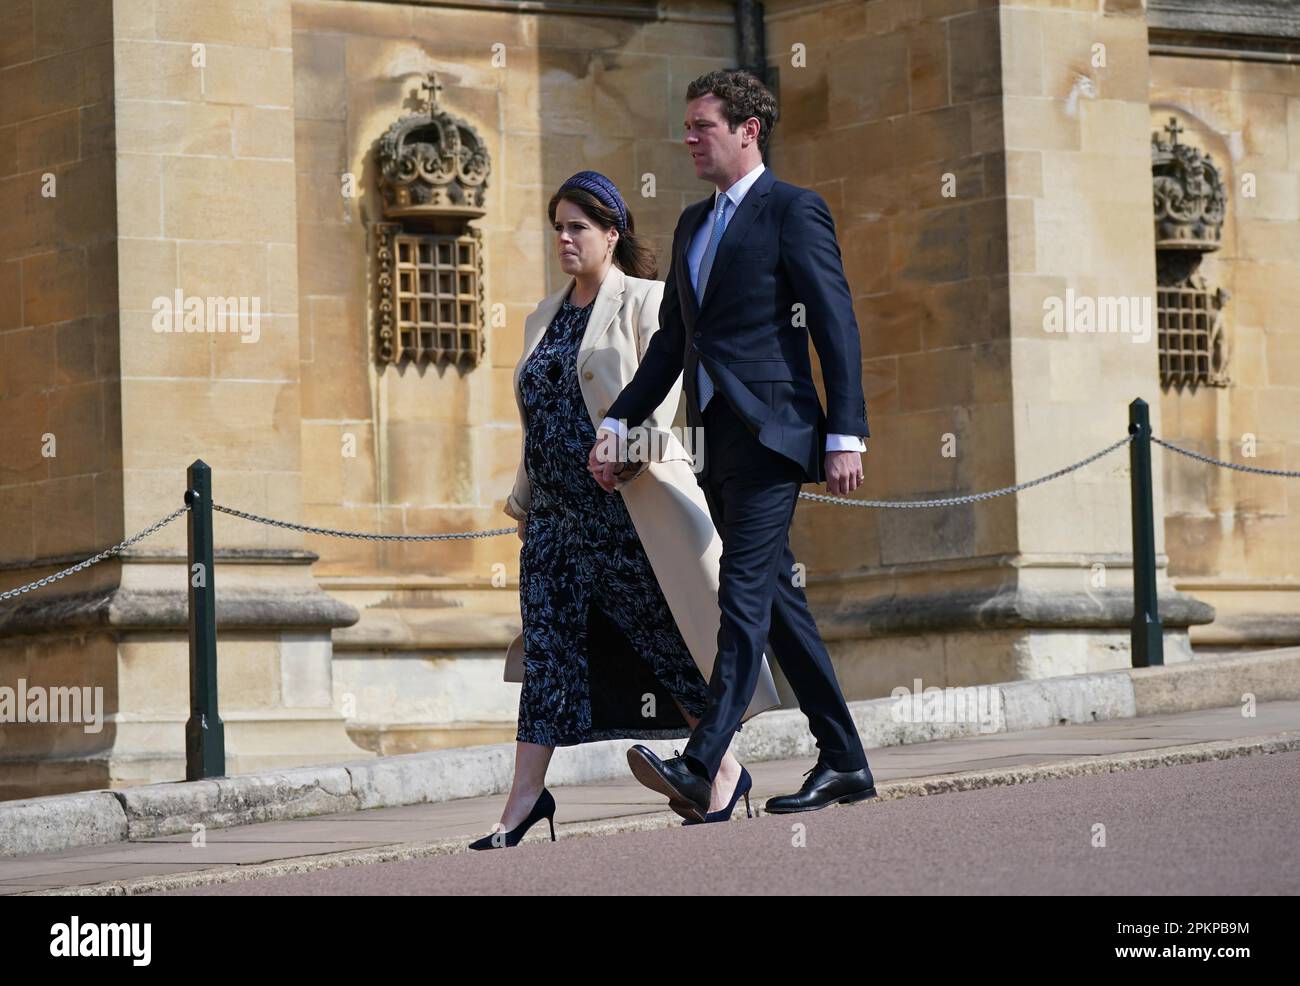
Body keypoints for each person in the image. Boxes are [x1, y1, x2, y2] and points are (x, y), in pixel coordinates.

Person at [590, 69, 877, 822]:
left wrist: (845, 433)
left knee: (742, 594)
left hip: (776, 434)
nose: (688, 138)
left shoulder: (794, 211)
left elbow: (834, 323)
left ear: (748, 129)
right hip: (712, 440)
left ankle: (703, 761)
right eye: (686, 126)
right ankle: (844, 759)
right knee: (778, 603)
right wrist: (620, 420)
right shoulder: (690, 225)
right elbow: (673, 343)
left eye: (701, 125)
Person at [471, 171, 780, 850]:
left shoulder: (646, 300)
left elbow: (662, 400)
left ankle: (721, 769)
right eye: (557, 226)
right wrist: (522, 500)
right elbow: (539, 418)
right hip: (553, 522)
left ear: (613, 232)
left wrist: (627, 451)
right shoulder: (540, 316)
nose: (565, 238)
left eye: (578, 226)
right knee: (548, 655)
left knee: (664, 644)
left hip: (625, 512)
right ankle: (523, 800)